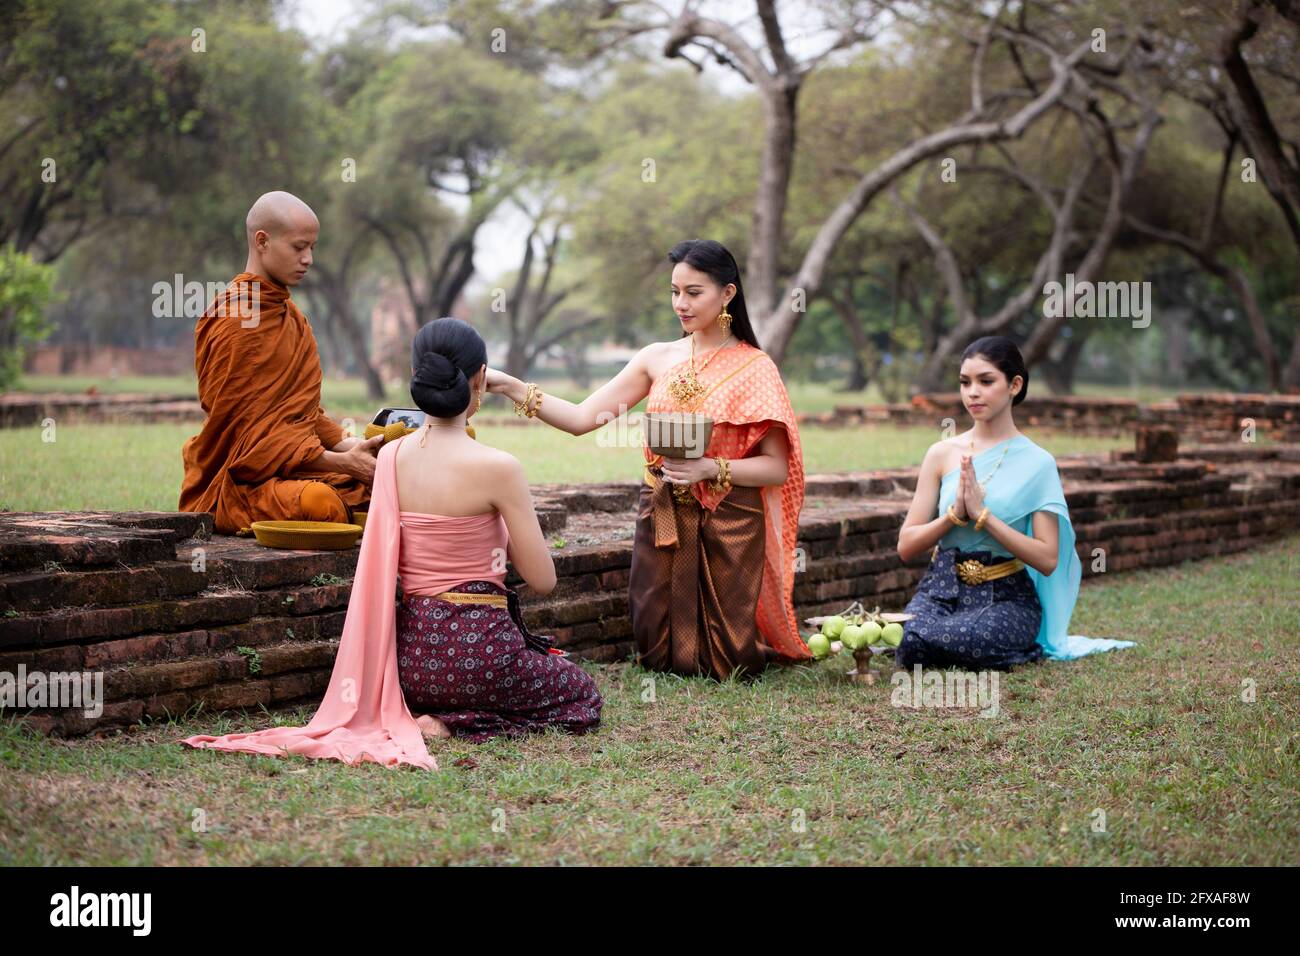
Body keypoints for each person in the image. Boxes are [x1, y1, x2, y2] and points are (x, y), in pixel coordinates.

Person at [181, 318, 601, 768]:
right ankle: (461, 721)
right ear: (479, 378)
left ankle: (441, 712)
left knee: (499, 675)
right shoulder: (500, 467)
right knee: (581, 695)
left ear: (417, 377)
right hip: (483, 655)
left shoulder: (391, 458)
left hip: (410, 665)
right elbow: (543, 580)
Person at [487, 239, 810, 680]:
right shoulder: (657, 358)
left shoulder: (755, 367)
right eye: (675, 291)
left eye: (694, 292)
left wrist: (709, 468)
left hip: (729, 519)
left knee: (732, 660)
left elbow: (776, 468)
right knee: (656, 652)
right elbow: (583, 418)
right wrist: (510, 387)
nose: (681, 303)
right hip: (661, 511)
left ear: (728, 294)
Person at [894, 335, 1135, 668]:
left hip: (1005, 596)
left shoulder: (1038, 463)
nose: (972, 392)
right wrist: (953, 516)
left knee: (972, 640)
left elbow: (1048, 558)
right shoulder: (941, 454)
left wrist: (984, 517)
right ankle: (947, 639)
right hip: (941, 589)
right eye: (965, 382)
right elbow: (906, 546)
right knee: (908, 642)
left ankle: (1017, 645)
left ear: (1014, 384)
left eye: (986, 381)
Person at [179, 191, 379, 534]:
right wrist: (342, 463)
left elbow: (303, 415)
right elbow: (247, 438)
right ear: (262, 241)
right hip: (238, 481)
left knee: (385, 489)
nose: (308, 259)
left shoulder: (293, 319)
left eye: (312, 248)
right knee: (321, 504)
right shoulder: (234, 319)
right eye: (299, 247)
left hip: (293, 466)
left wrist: (354, 448)